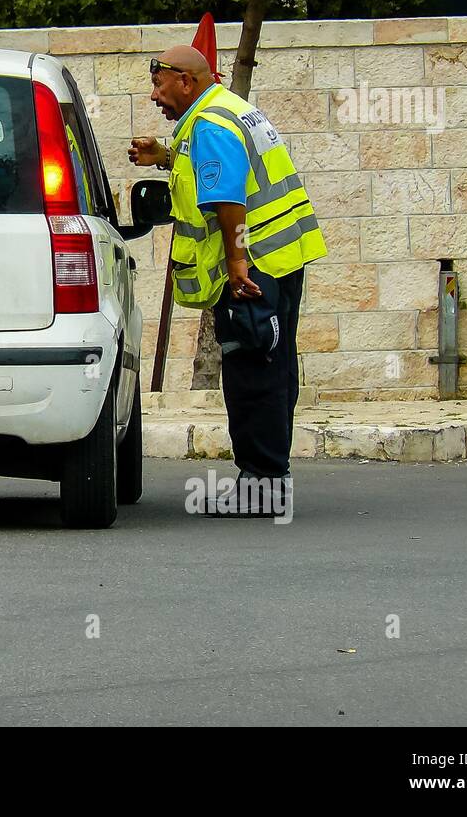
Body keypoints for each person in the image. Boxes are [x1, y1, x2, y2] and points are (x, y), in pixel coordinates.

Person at [130, 45, 327, 515]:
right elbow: (210, 165)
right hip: (280, 258)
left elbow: (228, 200)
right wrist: (165, 155)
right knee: (272, 363)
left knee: (251, 369)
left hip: (253, 267)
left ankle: (262, 485)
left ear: (186, 80)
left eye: (160, 85)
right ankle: (271, 478)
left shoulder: (212, 125)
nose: (154, 95)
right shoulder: (228, 110)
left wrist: (237, 265)